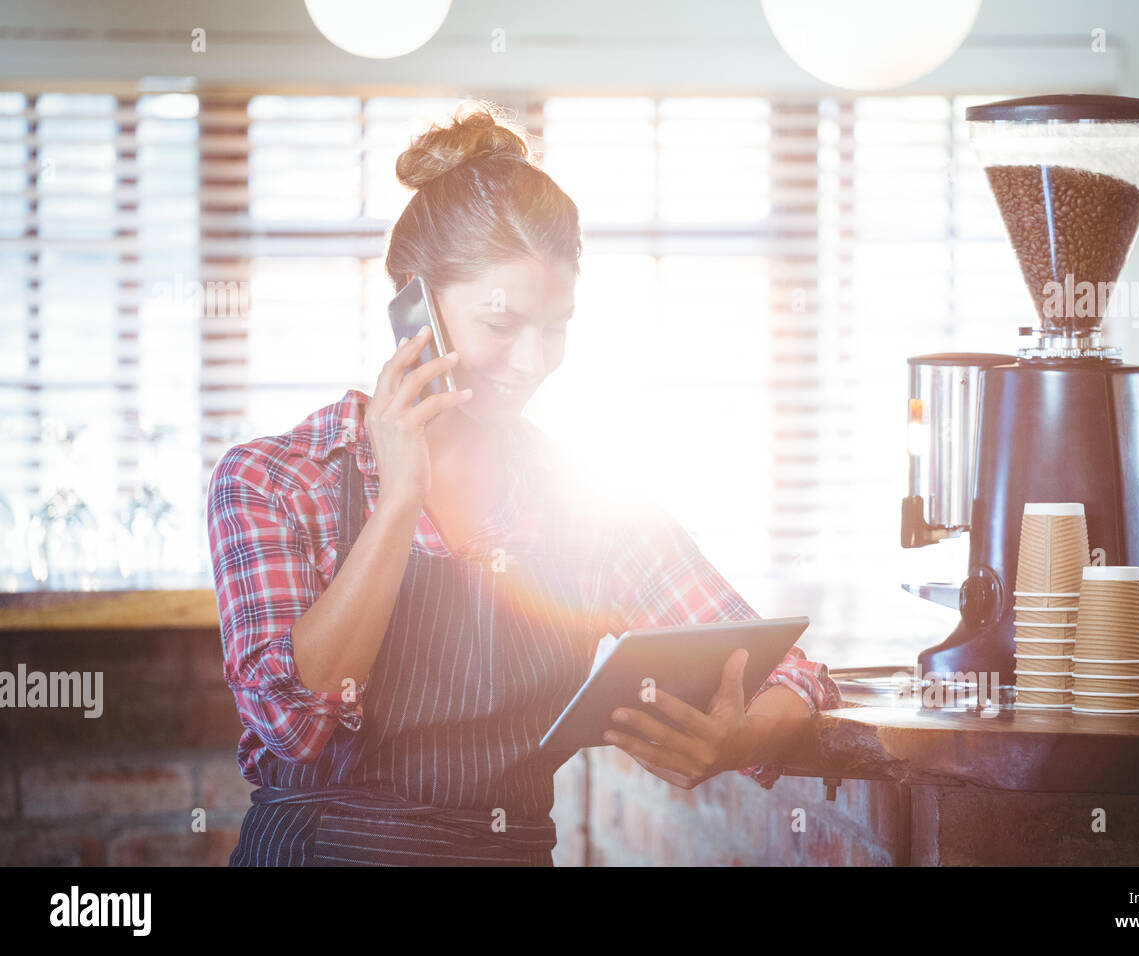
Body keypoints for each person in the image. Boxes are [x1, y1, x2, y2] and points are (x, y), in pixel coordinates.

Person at [207, 99, 842, 867]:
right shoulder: (274, 481)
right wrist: (400, 497)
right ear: (416, 308)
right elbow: (295, 725)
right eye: (502, 326)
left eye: (557, 325)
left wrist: (742, 735)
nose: (534, 360)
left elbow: (788, 671)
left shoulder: (582, 500)